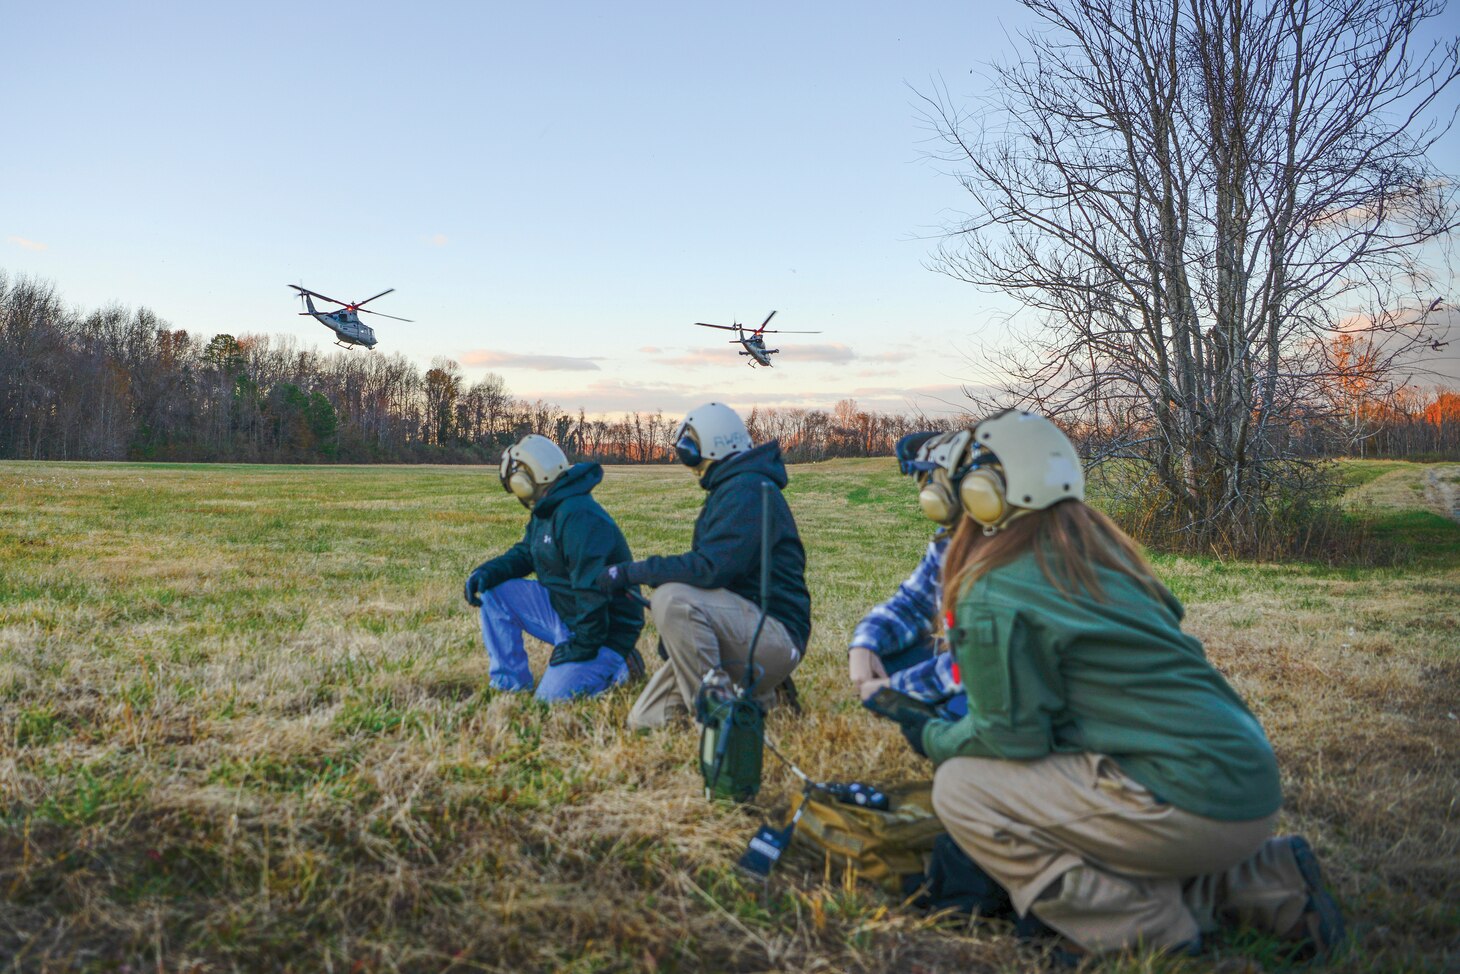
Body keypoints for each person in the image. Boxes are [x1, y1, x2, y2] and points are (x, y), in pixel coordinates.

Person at [882, 410, 1344, 959]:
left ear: (985, 495)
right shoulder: (1101, 562)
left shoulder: (996, 588)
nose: (940, 503)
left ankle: (1140, 930)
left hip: (1189, 802)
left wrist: (931, 733)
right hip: (1246, 790)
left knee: (963, 787)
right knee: (1070, 816)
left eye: (949, 487)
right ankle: (1271, 883)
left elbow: (1012, 740)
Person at [593, 402, 812, 730]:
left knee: (672, 598)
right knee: (646, 721)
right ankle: (761, 696)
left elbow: (711, 569)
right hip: (739, 632)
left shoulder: (748, 489)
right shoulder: (732, 489)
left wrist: (628, 573)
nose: (687, 460)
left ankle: (723, 719)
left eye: (689, 449)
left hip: (774, 637)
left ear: (713, 445)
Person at [464, 434, 645, 702]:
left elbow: (593, 592)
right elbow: (528, 552)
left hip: (602, 631)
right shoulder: (549, 508)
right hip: (566, 611)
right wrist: (488, 572)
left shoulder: (579, 516)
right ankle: (509, 685)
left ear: (528, 479)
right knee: (494, 591)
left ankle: (620, 664)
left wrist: (580, 647)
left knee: (549, 702)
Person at [848, 430, 966, 719]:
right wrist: (864, 644)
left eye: (931, 479)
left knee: (955, 715)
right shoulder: (950, 539)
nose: (924, 491)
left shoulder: (1009, 546)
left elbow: (983, 666)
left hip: (998, 681)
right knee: (882, 654)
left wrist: (894, 688)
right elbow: (913, 603)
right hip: (973, 666)